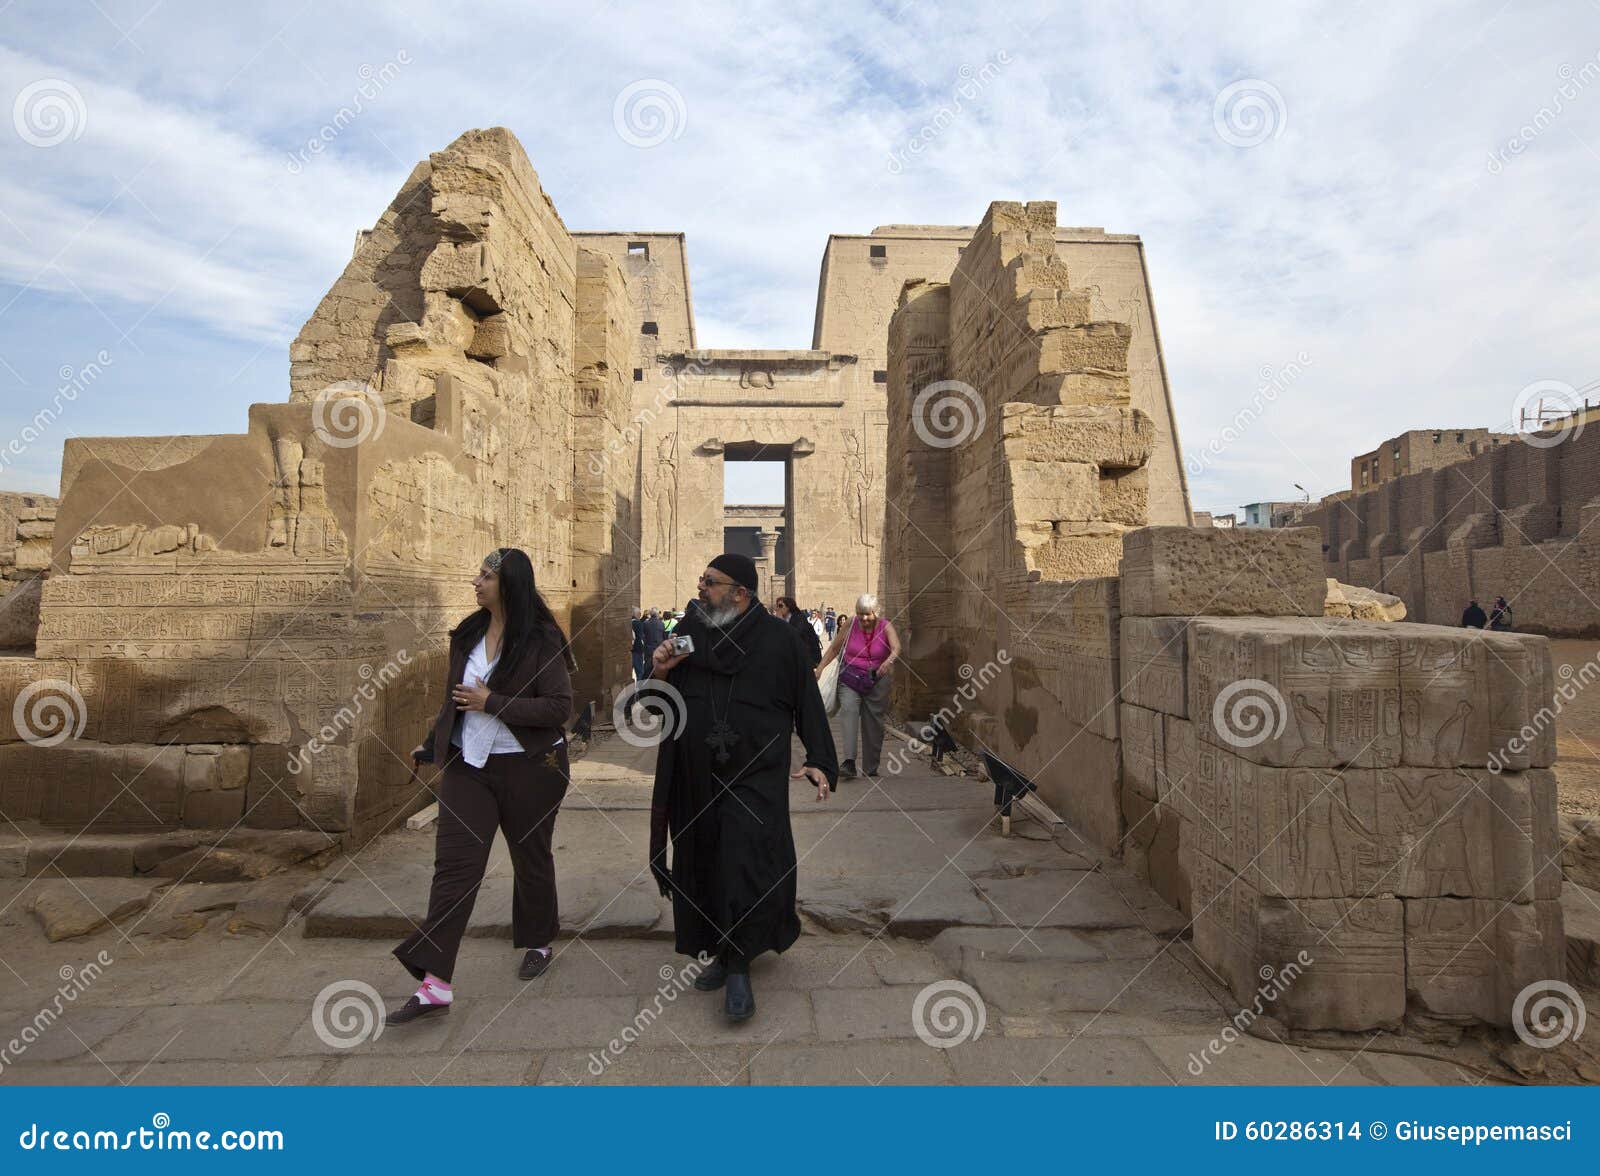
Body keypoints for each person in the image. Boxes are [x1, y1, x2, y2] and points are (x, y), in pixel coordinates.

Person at [646, 553, 838, 1022]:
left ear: (741, 593)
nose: (701, 589)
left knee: (744, 858)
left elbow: (806, 703)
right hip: (696, 775)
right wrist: (660, 671)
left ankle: (737, 965)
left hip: (755, 774)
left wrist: (818, 760)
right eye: (701, 580)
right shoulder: (688, 639)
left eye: (710, 582)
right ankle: (716, 945)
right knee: (704, 859)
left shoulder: (779, 640)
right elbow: (656, 709)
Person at [387, 548, 575, 1025]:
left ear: (509, 583)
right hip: (469, 766)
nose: (476, 582)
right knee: (454, 869)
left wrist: (494, 701)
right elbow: (456, 697)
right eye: (478, 574)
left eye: (486, 576)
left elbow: (557, 709)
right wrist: (432, 743)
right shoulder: (469, 634)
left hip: (533, 766)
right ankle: (435, 984)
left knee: (530, 856)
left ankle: (537, 940)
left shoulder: (541, 638)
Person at [816, 593, 901, 779]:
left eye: (867, 614)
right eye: (860, 613)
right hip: (850, 676)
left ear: (875, 613)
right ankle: (849, 762)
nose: (863, 618)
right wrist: (821, 667)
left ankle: (871, 767)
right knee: (849, 712)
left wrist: (889, 661)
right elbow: (834, 648)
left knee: (873, 721)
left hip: (877, 678)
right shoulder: (850, 623)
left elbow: (896, 647)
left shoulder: (885, 626)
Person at [774, 595, 822, 667]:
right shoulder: (784, 619)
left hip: (805, 658)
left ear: (788, 607)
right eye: (777, 606)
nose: (778, 608)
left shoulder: (799, 618)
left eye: (780, 606)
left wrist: (781, 621)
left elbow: (794, 635)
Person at [630, 606, 649, 682]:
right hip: (637, 650)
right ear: (636, 614)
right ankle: (640, 691)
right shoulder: (638, 623)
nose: (640, 614)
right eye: (639, 613)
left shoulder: (629, 622)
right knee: (640, 672)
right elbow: (641, 638)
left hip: (629, 650)